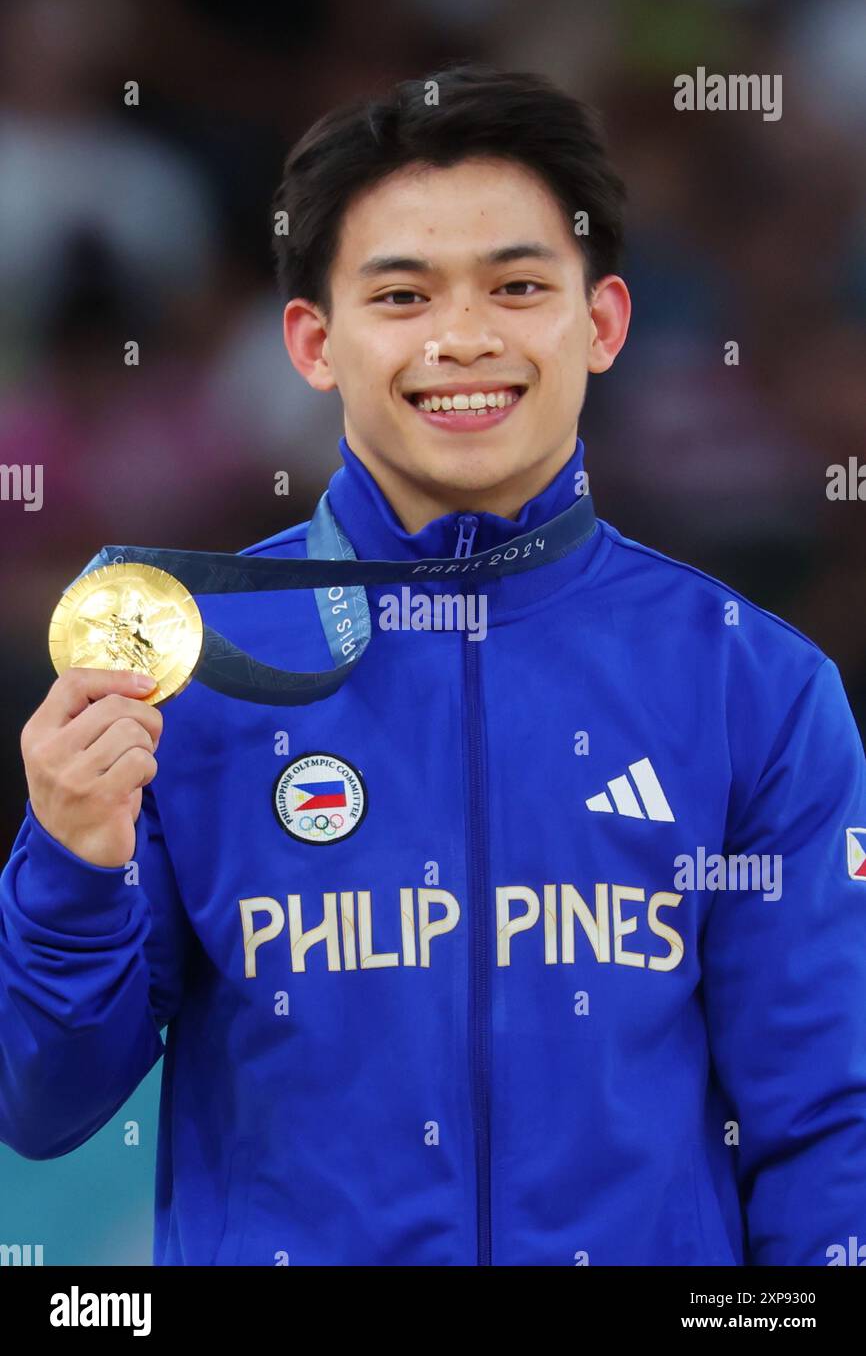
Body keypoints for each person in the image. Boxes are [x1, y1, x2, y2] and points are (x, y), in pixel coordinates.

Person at [1, 63, 865, 1267]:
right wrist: (69, 857)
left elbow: (826, 1129)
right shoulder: (186, 665)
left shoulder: (751, 688)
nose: (463, 339)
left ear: (601, 321)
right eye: (400, 296)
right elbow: (41, 1106)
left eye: (516, 286)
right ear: (312, 341)